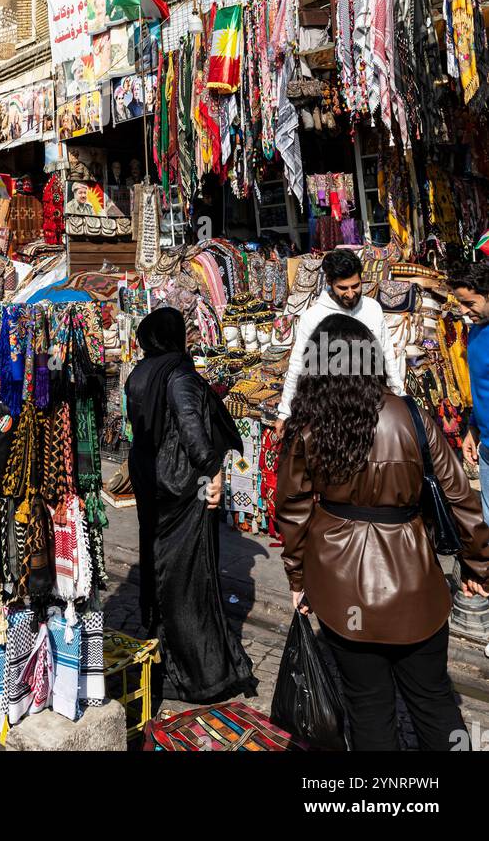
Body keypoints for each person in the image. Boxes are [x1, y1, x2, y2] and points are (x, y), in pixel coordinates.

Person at [275, 313, 489, 752]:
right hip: (415, 585)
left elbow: (292, 512)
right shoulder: (412, 416)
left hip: (339, 588)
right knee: (433, 701)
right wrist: (478, 564)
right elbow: (461, 498)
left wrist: (298, 579)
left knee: (368, 707)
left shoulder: (308, 428)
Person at [125, 306, 255, 703]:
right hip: (181, 486)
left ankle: (164, 650)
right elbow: (191, 428)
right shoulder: (178, 374)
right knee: (187, 571)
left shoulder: (142, 372)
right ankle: (199, 670)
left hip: (151, 481)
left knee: (160, 561)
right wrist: (212, 471)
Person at [275, 248, 404, 435]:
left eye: (356, 286)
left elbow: (387, 354)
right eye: (343, 288)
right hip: (333, 411)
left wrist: (399, 394)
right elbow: (298, 365)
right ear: (329, 283)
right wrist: (285, 412)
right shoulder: (313, 317)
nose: (351, 294)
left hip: (373, 405)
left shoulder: (373, 309)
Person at [449, 261, 489, 525]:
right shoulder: (475, 331)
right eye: (459, 302)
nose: (463, 310)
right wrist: (473, 428)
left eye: (469, 303)